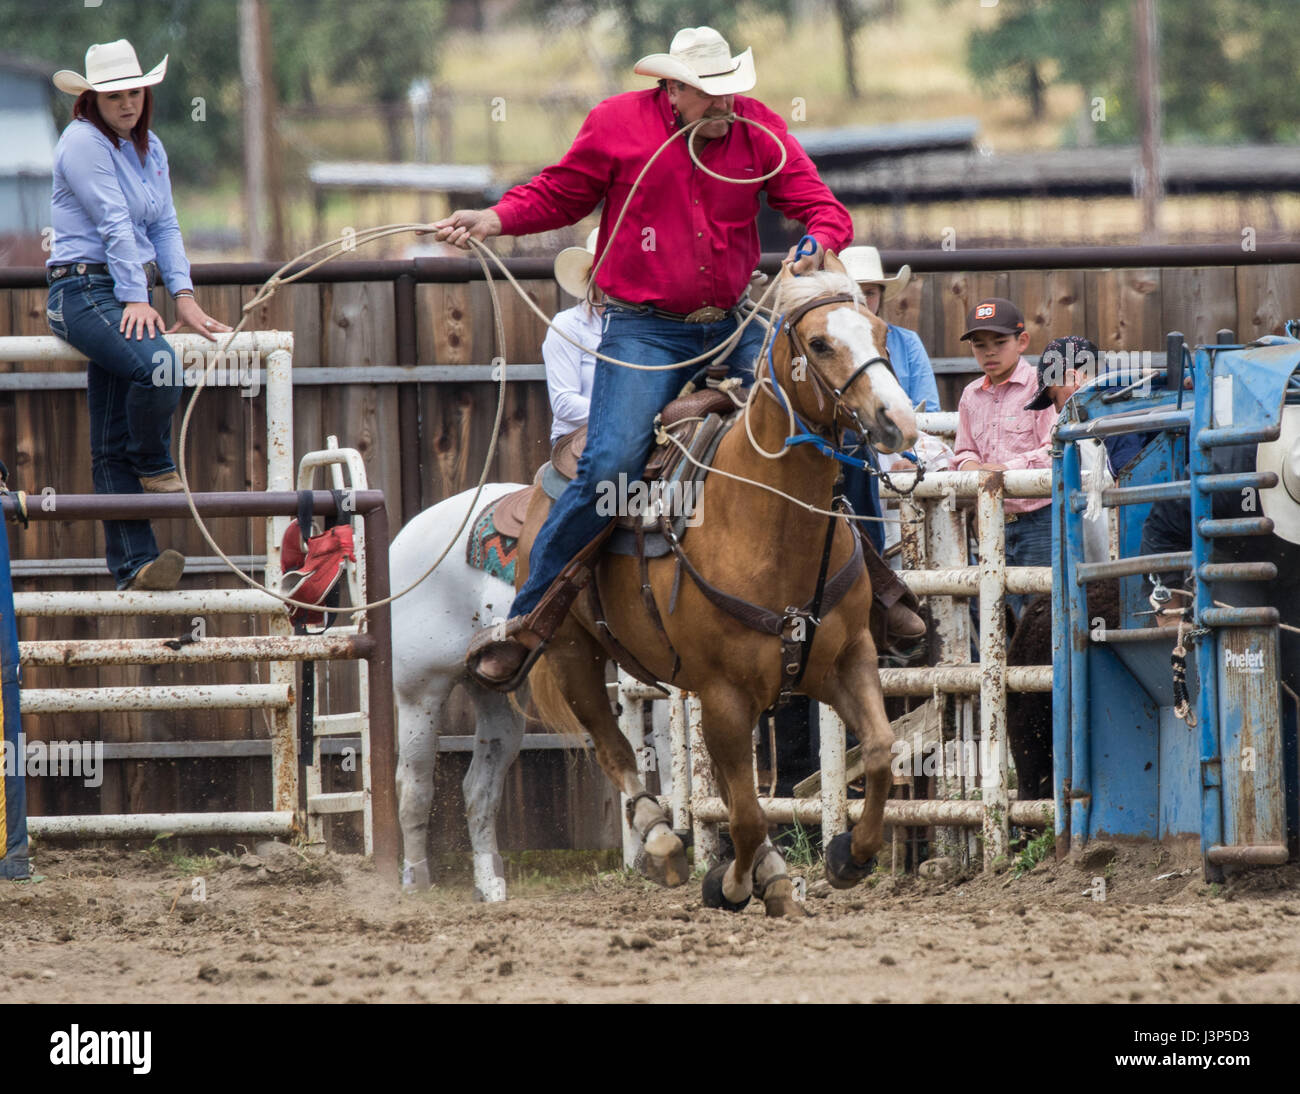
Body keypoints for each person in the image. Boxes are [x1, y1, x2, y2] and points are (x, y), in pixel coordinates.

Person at [434, 26, 854, 689]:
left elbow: (819, 205)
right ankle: (532, 616)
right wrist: (495, 219)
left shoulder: (760, 130)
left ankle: (876, 592)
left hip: (732, 319)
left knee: (827, 419)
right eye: (709, 96)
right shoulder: (616, 126)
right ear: (674, 89)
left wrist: (819, 237)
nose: (724, 107)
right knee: (610, 462)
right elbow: (559, 193)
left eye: (729, 94)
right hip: (644, 329)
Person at [45, 40, 230, 591]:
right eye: (114, 94)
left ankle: (134, 565)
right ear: (92, 99)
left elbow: (165, 226)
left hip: (121, 290)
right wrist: (135, 297)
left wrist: (185, 296)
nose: (127, 102)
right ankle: (151, 462)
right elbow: (113, 224)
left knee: (109, 437)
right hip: (78, 291)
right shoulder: (82, 143)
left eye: (134, 91)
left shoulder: (149, 149)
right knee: (159, 368)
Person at [837, 245, 939, 652]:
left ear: (882, 295)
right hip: (854, 459)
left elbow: (927, 410)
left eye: (871, 291)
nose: (865, 299)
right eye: (855, 291)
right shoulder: (831, 342)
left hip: (899, 459)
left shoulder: (906, 343)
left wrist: (904, 454)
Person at [952, 298, 1056, 616]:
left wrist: (1002, 470)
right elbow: (964, 448)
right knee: (994, 605)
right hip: (991, 517)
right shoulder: (971, 395)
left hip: (1038, 516)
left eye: (1000, 342)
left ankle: (1043, 667)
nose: (989, 352)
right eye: (979, 344)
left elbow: (1054, 449)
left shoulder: (1042, 386)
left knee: (1040, 605)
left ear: (1021, 341)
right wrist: (971, 466)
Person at [1023, 335, 1114, 564]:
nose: (1057, 409)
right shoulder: (1109, 413)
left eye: (1055, 398)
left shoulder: (1102, 426)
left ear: (1074, 378)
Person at [545, 229, 602, 472]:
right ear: (593, 276)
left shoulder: (644, 329)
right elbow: (564, 403)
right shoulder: (568, 325)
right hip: (576, 439)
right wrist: (627, 414)